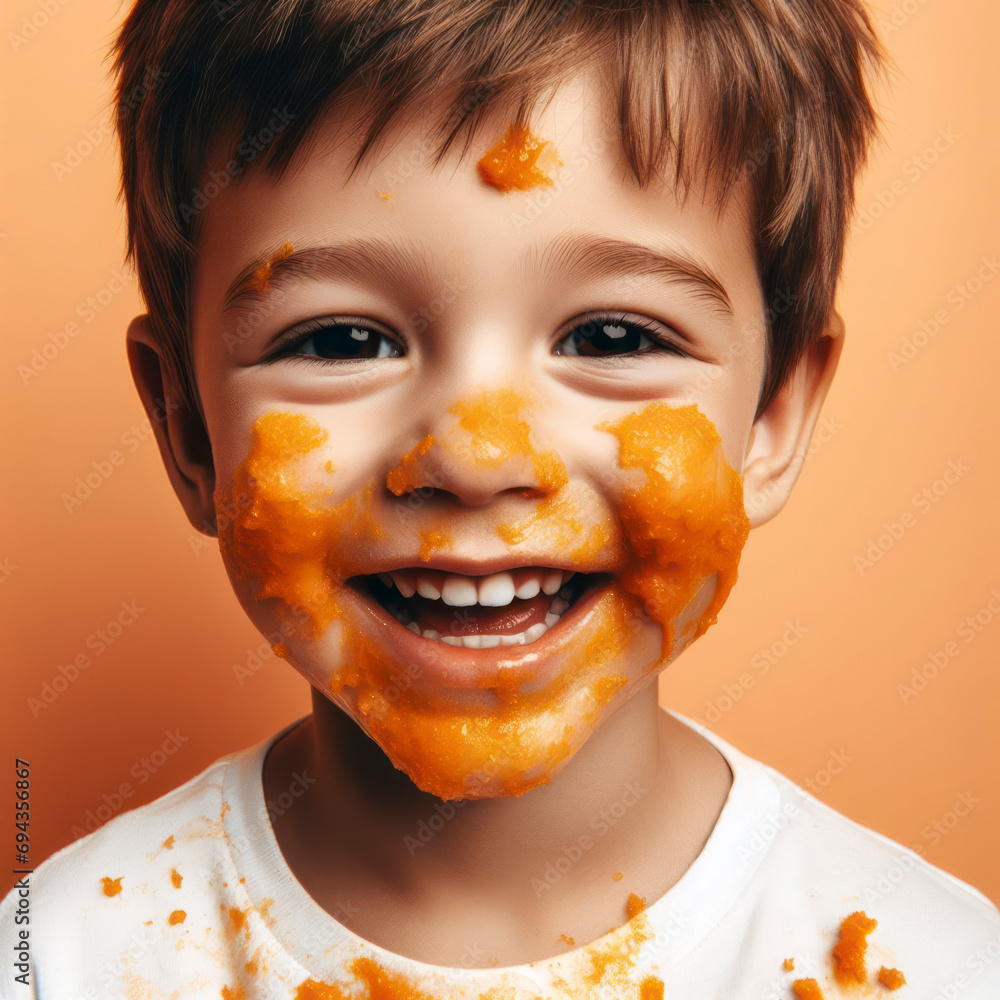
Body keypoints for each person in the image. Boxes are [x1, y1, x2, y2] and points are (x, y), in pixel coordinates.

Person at [3, 1, 998, 997]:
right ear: (187, 431)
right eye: (342, 341)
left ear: (775, 415)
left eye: (611, 338)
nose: (476, 459)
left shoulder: (939, 966)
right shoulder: (59, 960)